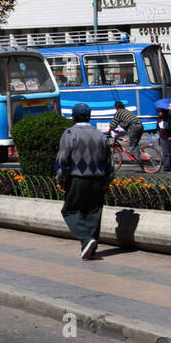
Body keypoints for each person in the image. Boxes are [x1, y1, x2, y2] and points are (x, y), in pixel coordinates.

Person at [55, 102, 114, 261]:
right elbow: (109, 162)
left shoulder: (69, 134)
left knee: (70, 211)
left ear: (73, 117)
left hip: (77, 178)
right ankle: (90, 250)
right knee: (94, 213)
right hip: (98, 179)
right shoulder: (100, 135)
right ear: (89, 116)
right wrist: (107, 182)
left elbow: (62, 160)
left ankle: (86, 239)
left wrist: (60, 179)